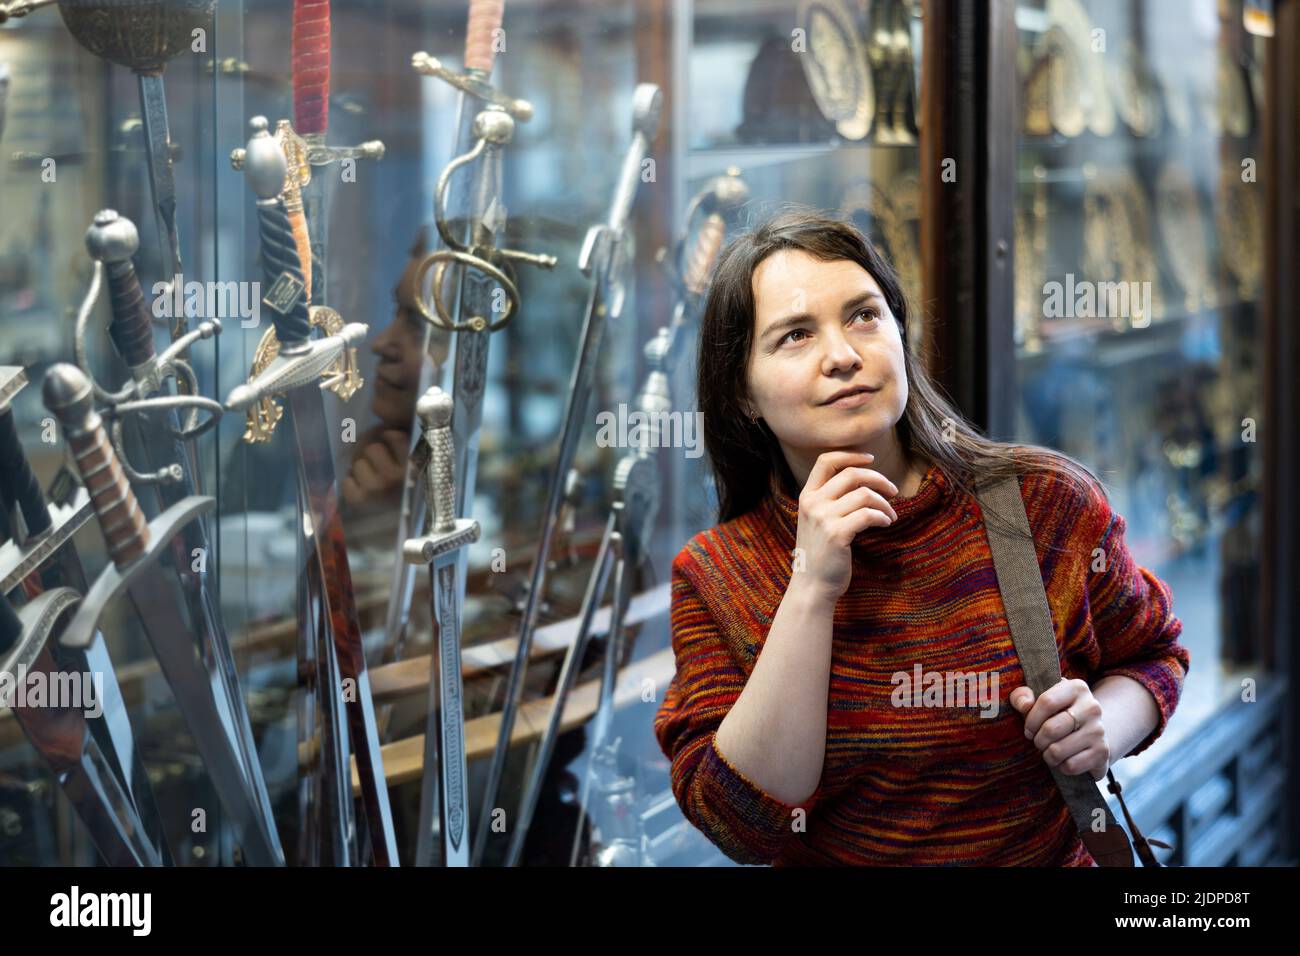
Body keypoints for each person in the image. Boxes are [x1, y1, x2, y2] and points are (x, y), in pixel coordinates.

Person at [653, 207, 1190, 866]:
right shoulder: (718, 573)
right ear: (742, 393)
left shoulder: (1045, 503)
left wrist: (1104, 726)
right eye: (795, 335)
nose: (844, 355)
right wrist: (811, 589)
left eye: (863, 315)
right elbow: (745, 826)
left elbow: (1154, 655)